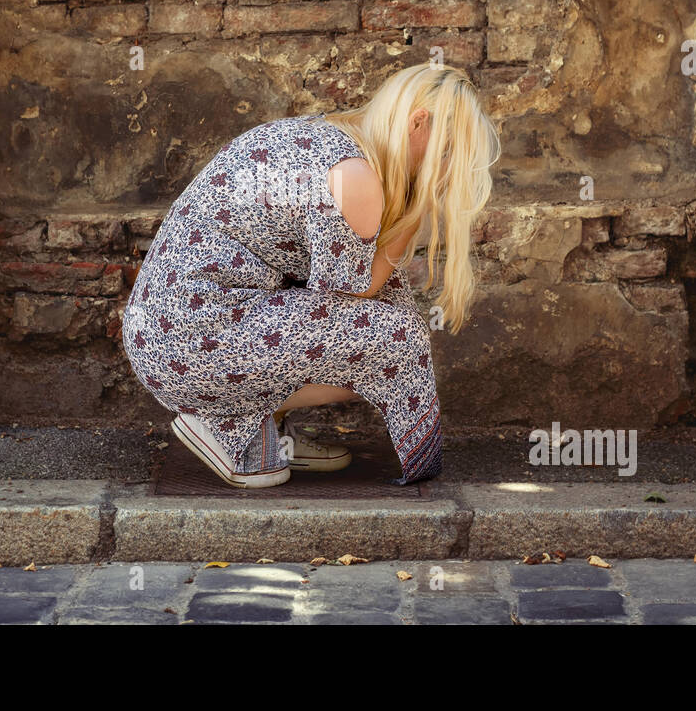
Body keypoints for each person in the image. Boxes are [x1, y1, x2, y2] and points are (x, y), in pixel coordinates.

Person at [121, 64, 500, 487]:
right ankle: (222, 419)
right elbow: (356, 297)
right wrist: (418, 208)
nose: (448, 167)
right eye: (447, 150)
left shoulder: (328, 134)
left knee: (391, 321)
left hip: (165, 332)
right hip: (190, 343)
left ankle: (262, 424)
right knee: (397, 342)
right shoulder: (355, 177)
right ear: (418, 122)